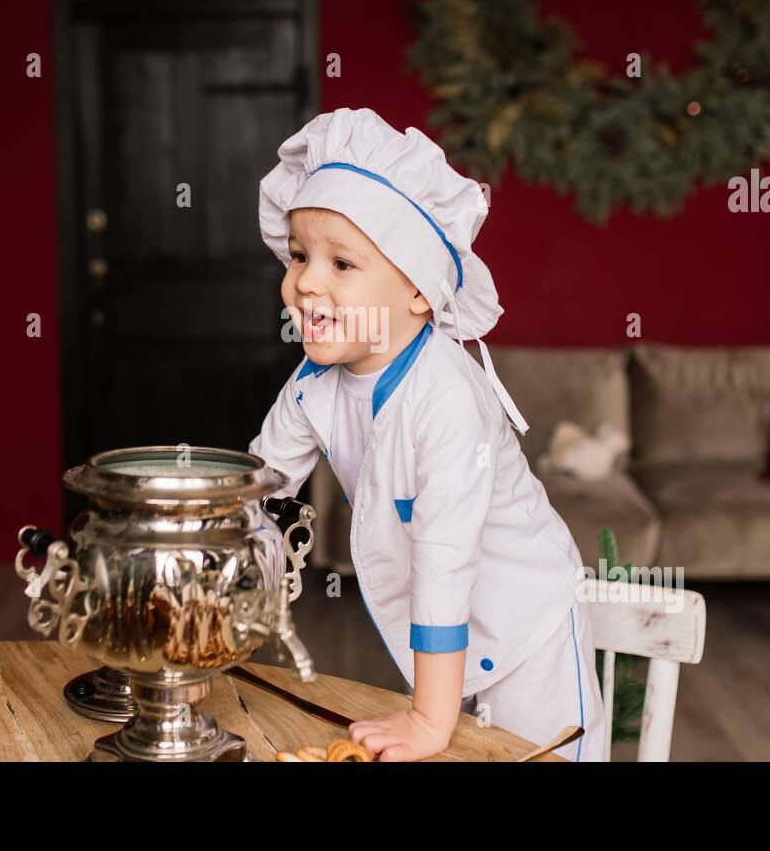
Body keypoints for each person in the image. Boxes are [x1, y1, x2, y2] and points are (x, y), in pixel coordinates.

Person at [249, 107, 606, 761]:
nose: (305, 281)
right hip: (445, 651)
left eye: (342, 263)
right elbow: (257, 486)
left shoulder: (446, 398)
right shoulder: (310, 385)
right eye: (299, 255)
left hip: (529, 631)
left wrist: (429, 718)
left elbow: (444, 558)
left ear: (419, 289)